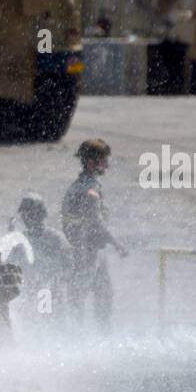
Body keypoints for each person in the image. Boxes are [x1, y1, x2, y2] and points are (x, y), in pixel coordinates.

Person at [61, 139, 128, 329]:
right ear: (91, 162)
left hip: (91, 252)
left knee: (103, 295)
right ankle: (77, 340)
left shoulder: (88, 184)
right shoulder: (88, 190)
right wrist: (117, 244)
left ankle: (100, 335)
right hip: (85, 253)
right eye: (103, 160)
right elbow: (95, 223)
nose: (107, 164)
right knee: (79, 297)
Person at [15, 193, 73, 321]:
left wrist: (52, 281)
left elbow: (68, 268)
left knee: (50, 328)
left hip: (50, 297)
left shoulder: (55, 239)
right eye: (24, 215)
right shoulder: (19, 241)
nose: (26, 218)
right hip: (28, 297)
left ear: (40, 215)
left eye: (29, 214)